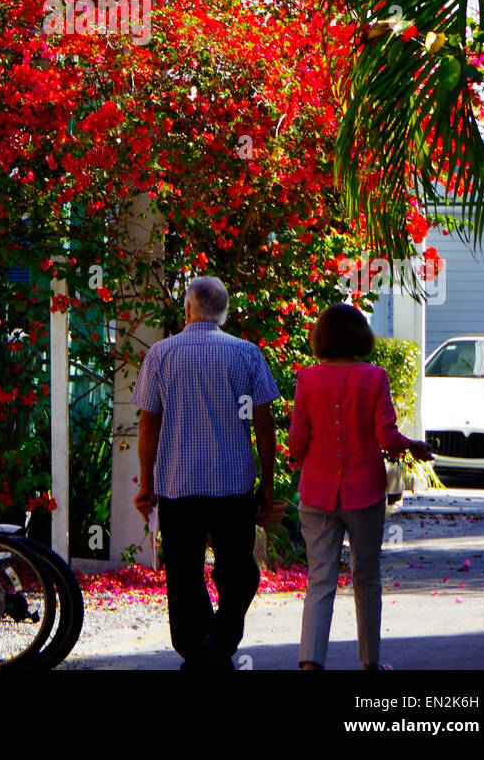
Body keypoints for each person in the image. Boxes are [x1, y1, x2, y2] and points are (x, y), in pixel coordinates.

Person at [132, 275, 280, 671]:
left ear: (188, 310)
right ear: (224, 313)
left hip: (179, 484)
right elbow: (264, 423)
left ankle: (197, 648)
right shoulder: (247, 354)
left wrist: (147, 482)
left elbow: (149, 425)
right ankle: (218, 639)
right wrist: (267, 482)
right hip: (232, 484)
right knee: (239, 570)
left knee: (183, 572)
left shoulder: (161, 354)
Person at [289, 302, 433, 671]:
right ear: (359, 336)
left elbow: (297, 440)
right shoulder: (374, 377)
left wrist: (297, 458)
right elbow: (386, 435)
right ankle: (370, 662)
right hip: (364, 491)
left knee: (320, 577)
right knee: (366, 576)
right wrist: (413, 447)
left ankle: (310, 661)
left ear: (321, 337)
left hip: (317, 492)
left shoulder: (307, 378)